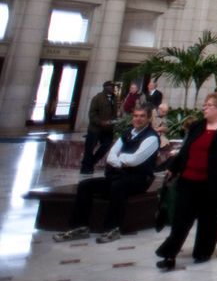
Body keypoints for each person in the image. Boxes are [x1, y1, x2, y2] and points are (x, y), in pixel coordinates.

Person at [154, 92, 217, 270]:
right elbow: (185, 150)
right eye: (205, 105)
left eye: (209, 105)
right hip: (189, 179)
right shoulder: (197, 126)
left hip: (216, 182)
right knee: (181, 219)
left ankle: (203, 251)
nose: (204, 108)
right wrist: (173, 167)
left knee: (210, 219)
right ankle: (169, 254)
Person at [54, 104, 160, 243]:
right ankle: (79, 227)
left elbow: (135, 160)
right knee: (86, 185)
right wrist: (122, 161)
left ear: (148, 118)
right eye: (135, 116)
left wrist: (120, 159)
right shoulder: (127, 133)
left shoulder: (151, 138)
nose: (138, 119)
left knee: (118, 187)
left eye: (142, 116)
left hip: (139, 179)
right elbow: (111, 156)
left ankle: (112, 228)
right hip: (119, 175)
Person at [79, 81, 118, 174]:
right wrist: (101, 122)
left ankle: (91, 162)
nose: (112, 88)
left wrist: (115, 120)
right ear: (105, 87)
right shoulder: (97, 98)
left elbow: (113, 112)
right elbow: (92, 114)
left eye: (113, 87)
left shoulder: (114, 98)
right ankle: (86, 168)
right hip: (95, 128)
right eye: (110, 86)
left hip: (108, 128)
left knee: (106, 145)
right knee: (90, 148)